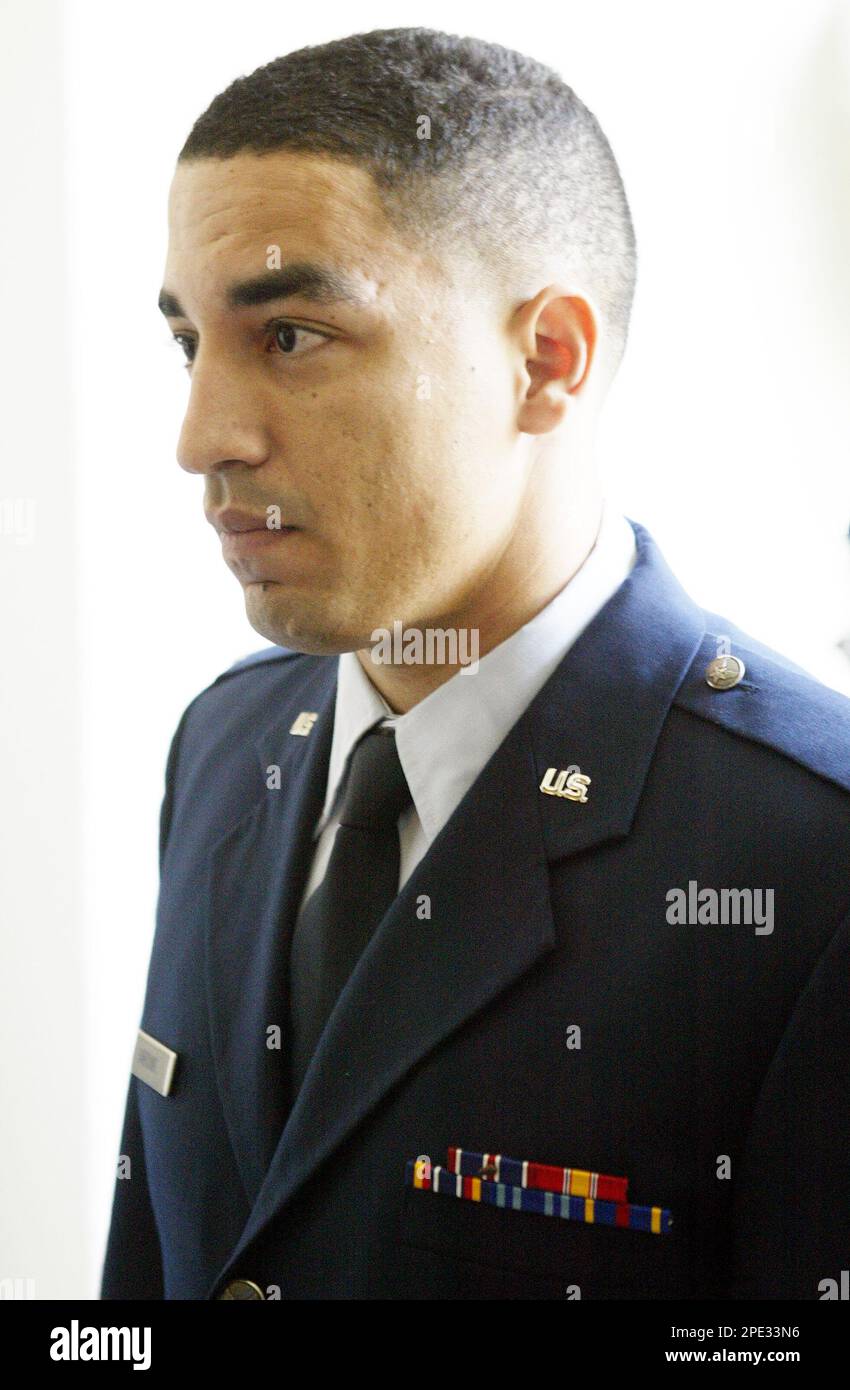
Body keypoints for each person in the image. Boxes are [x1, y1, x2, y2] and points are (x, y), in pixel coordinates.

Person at [100, 26, 850, 1300]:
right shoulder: (225, 747)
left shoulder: (807, 852)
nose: (201, 434)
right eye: (189, 343)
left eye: (288, 335)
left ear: (545, 362)